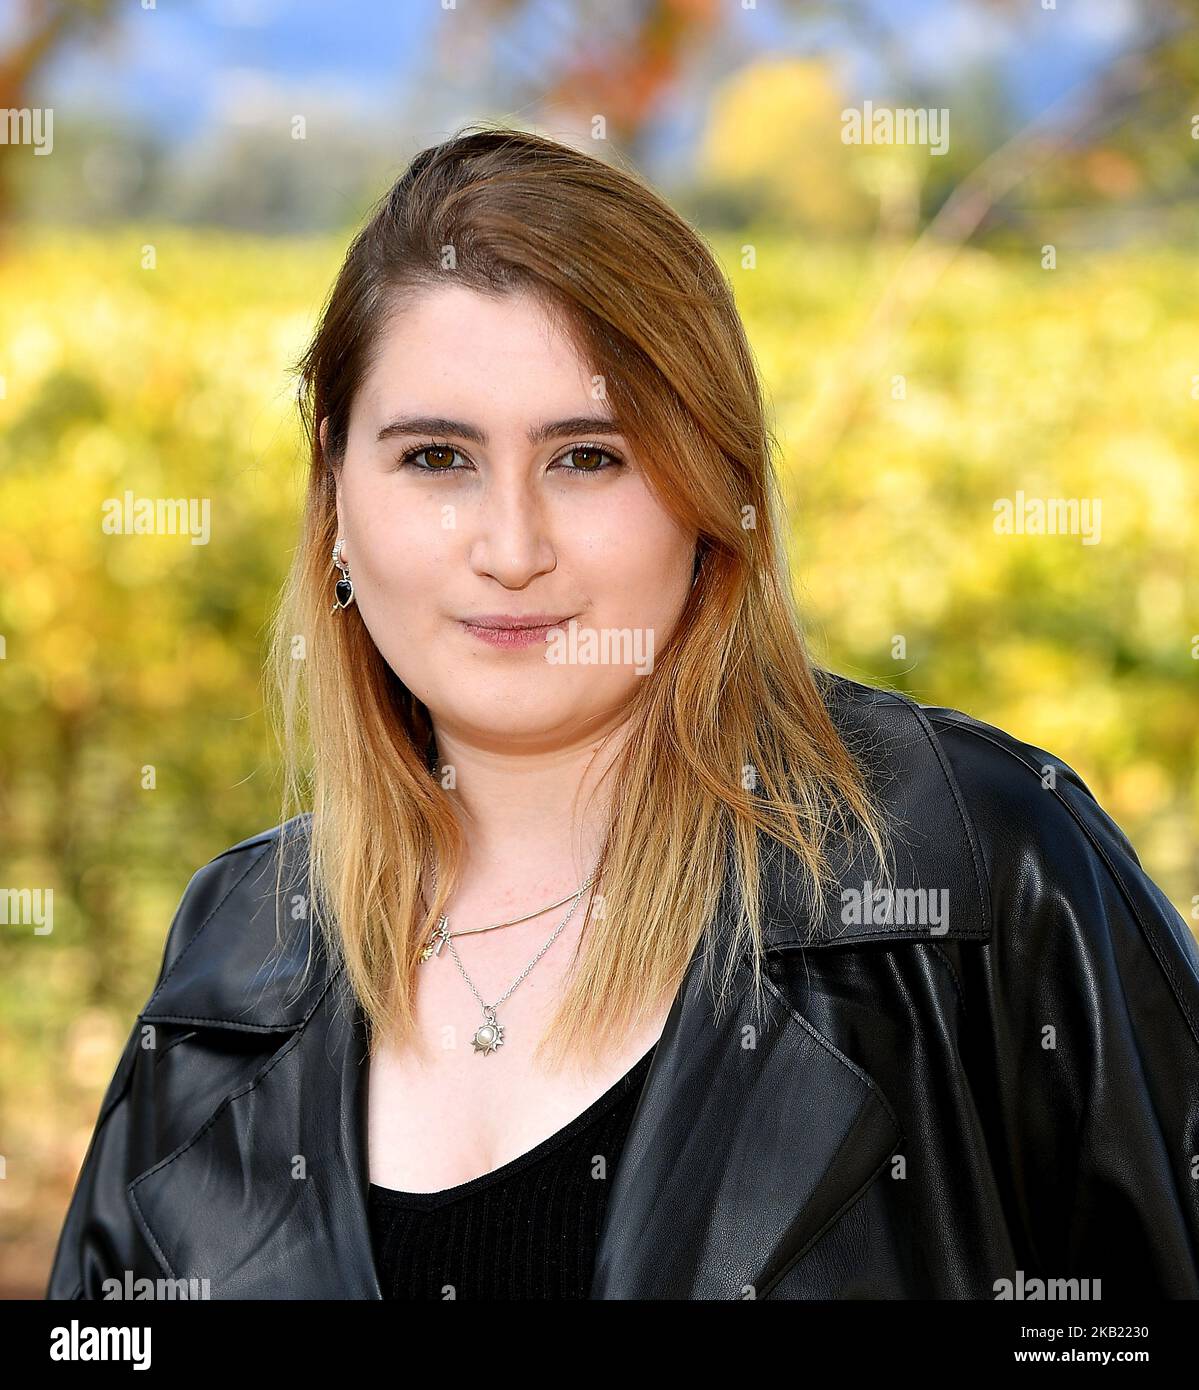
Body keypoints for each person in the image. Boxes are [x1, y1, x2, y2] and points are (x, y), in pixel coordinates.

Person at [46, 125, 1199, 1301]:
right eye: (436, 458)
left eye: (587, 457)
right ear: (335, 493)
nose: (509, 549)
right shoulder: (236, 952)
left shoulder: (973, 865)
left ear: (712, 489)